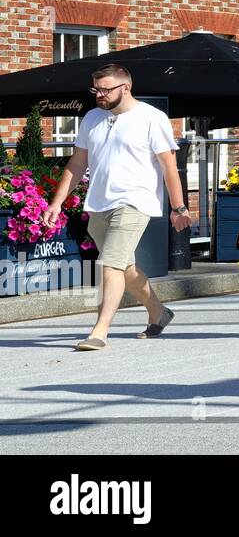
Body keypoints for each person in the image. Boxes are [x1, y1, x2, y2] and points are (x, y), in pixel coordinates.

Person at [41, 65, 192, 350]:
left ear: (126, 87)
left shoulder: (152, 118)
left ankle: (100, 331)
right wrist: (57, 202)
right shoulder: (92, 118)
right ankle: (158, 311)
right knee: (124, 265)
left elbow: (169, 167)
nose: (99, 94)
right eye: (96, 89)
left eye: (105, 89)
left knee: (110, 264)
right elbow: (77, 163)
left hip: (135, 201)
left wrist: (179, 207)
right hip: (99, 202)